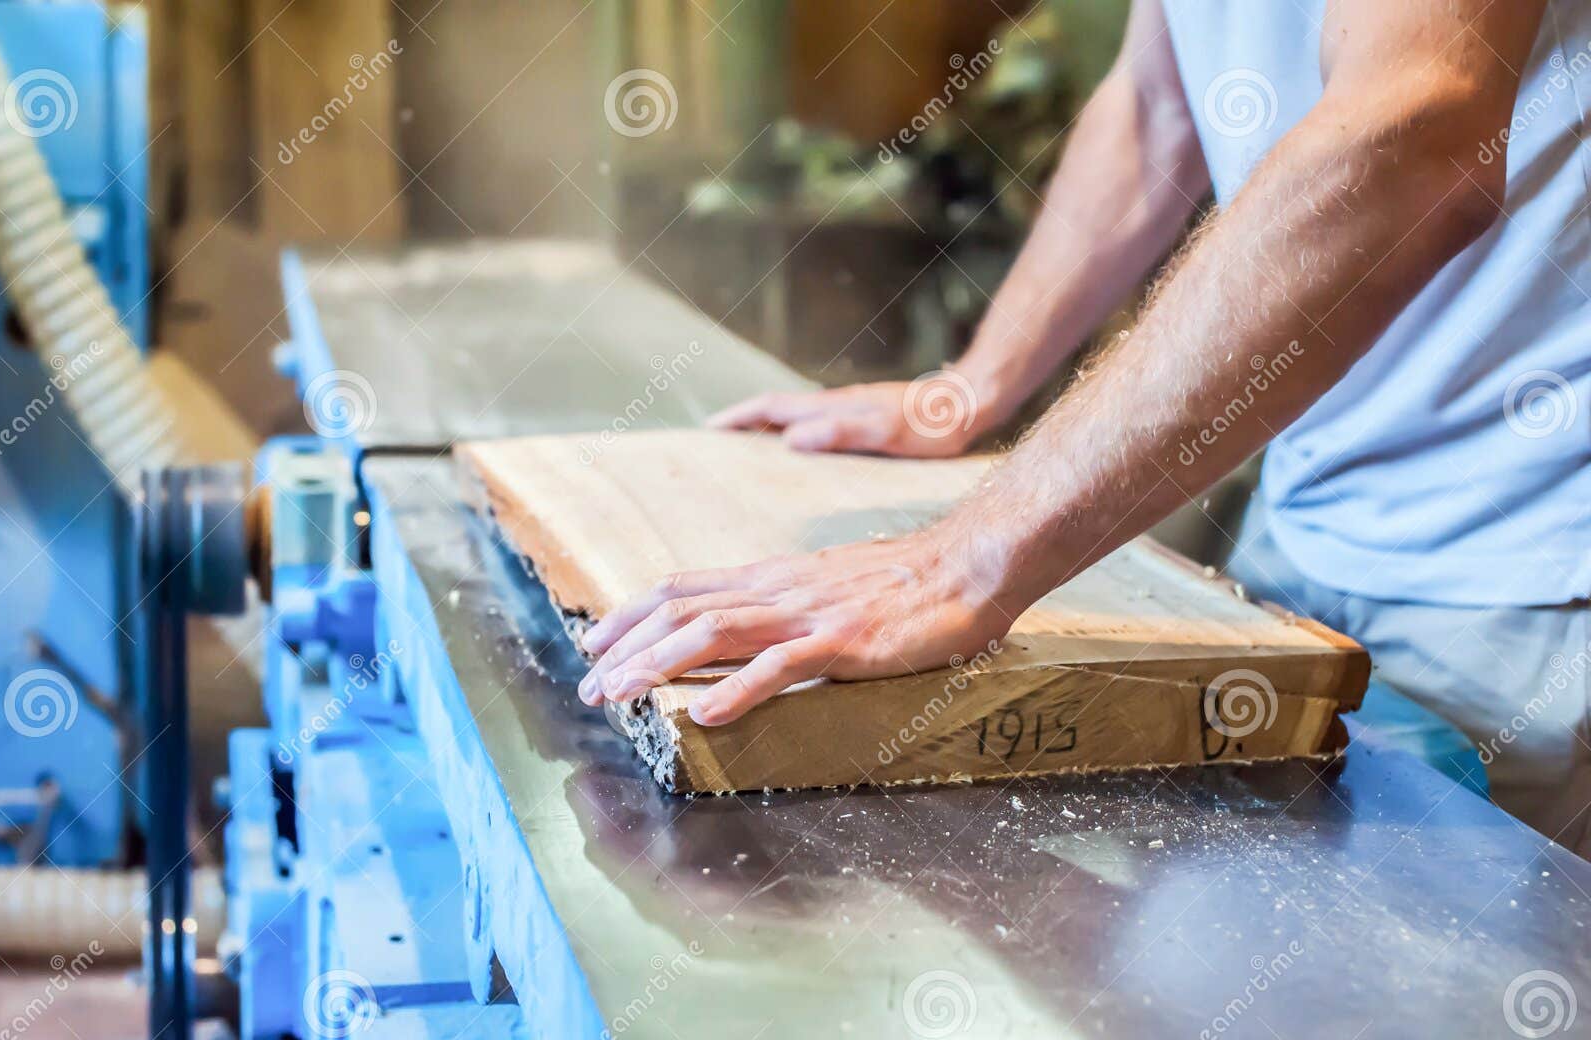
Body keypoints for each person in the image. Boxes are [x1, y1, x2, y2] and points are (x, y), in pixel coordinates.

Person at [579, 0, 1591, 856]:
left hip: (1526, 563)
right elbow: (1156, 105)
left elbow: (1413, 136)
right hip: (1311, 513)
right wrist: (975, 387)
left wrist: (962, 562)